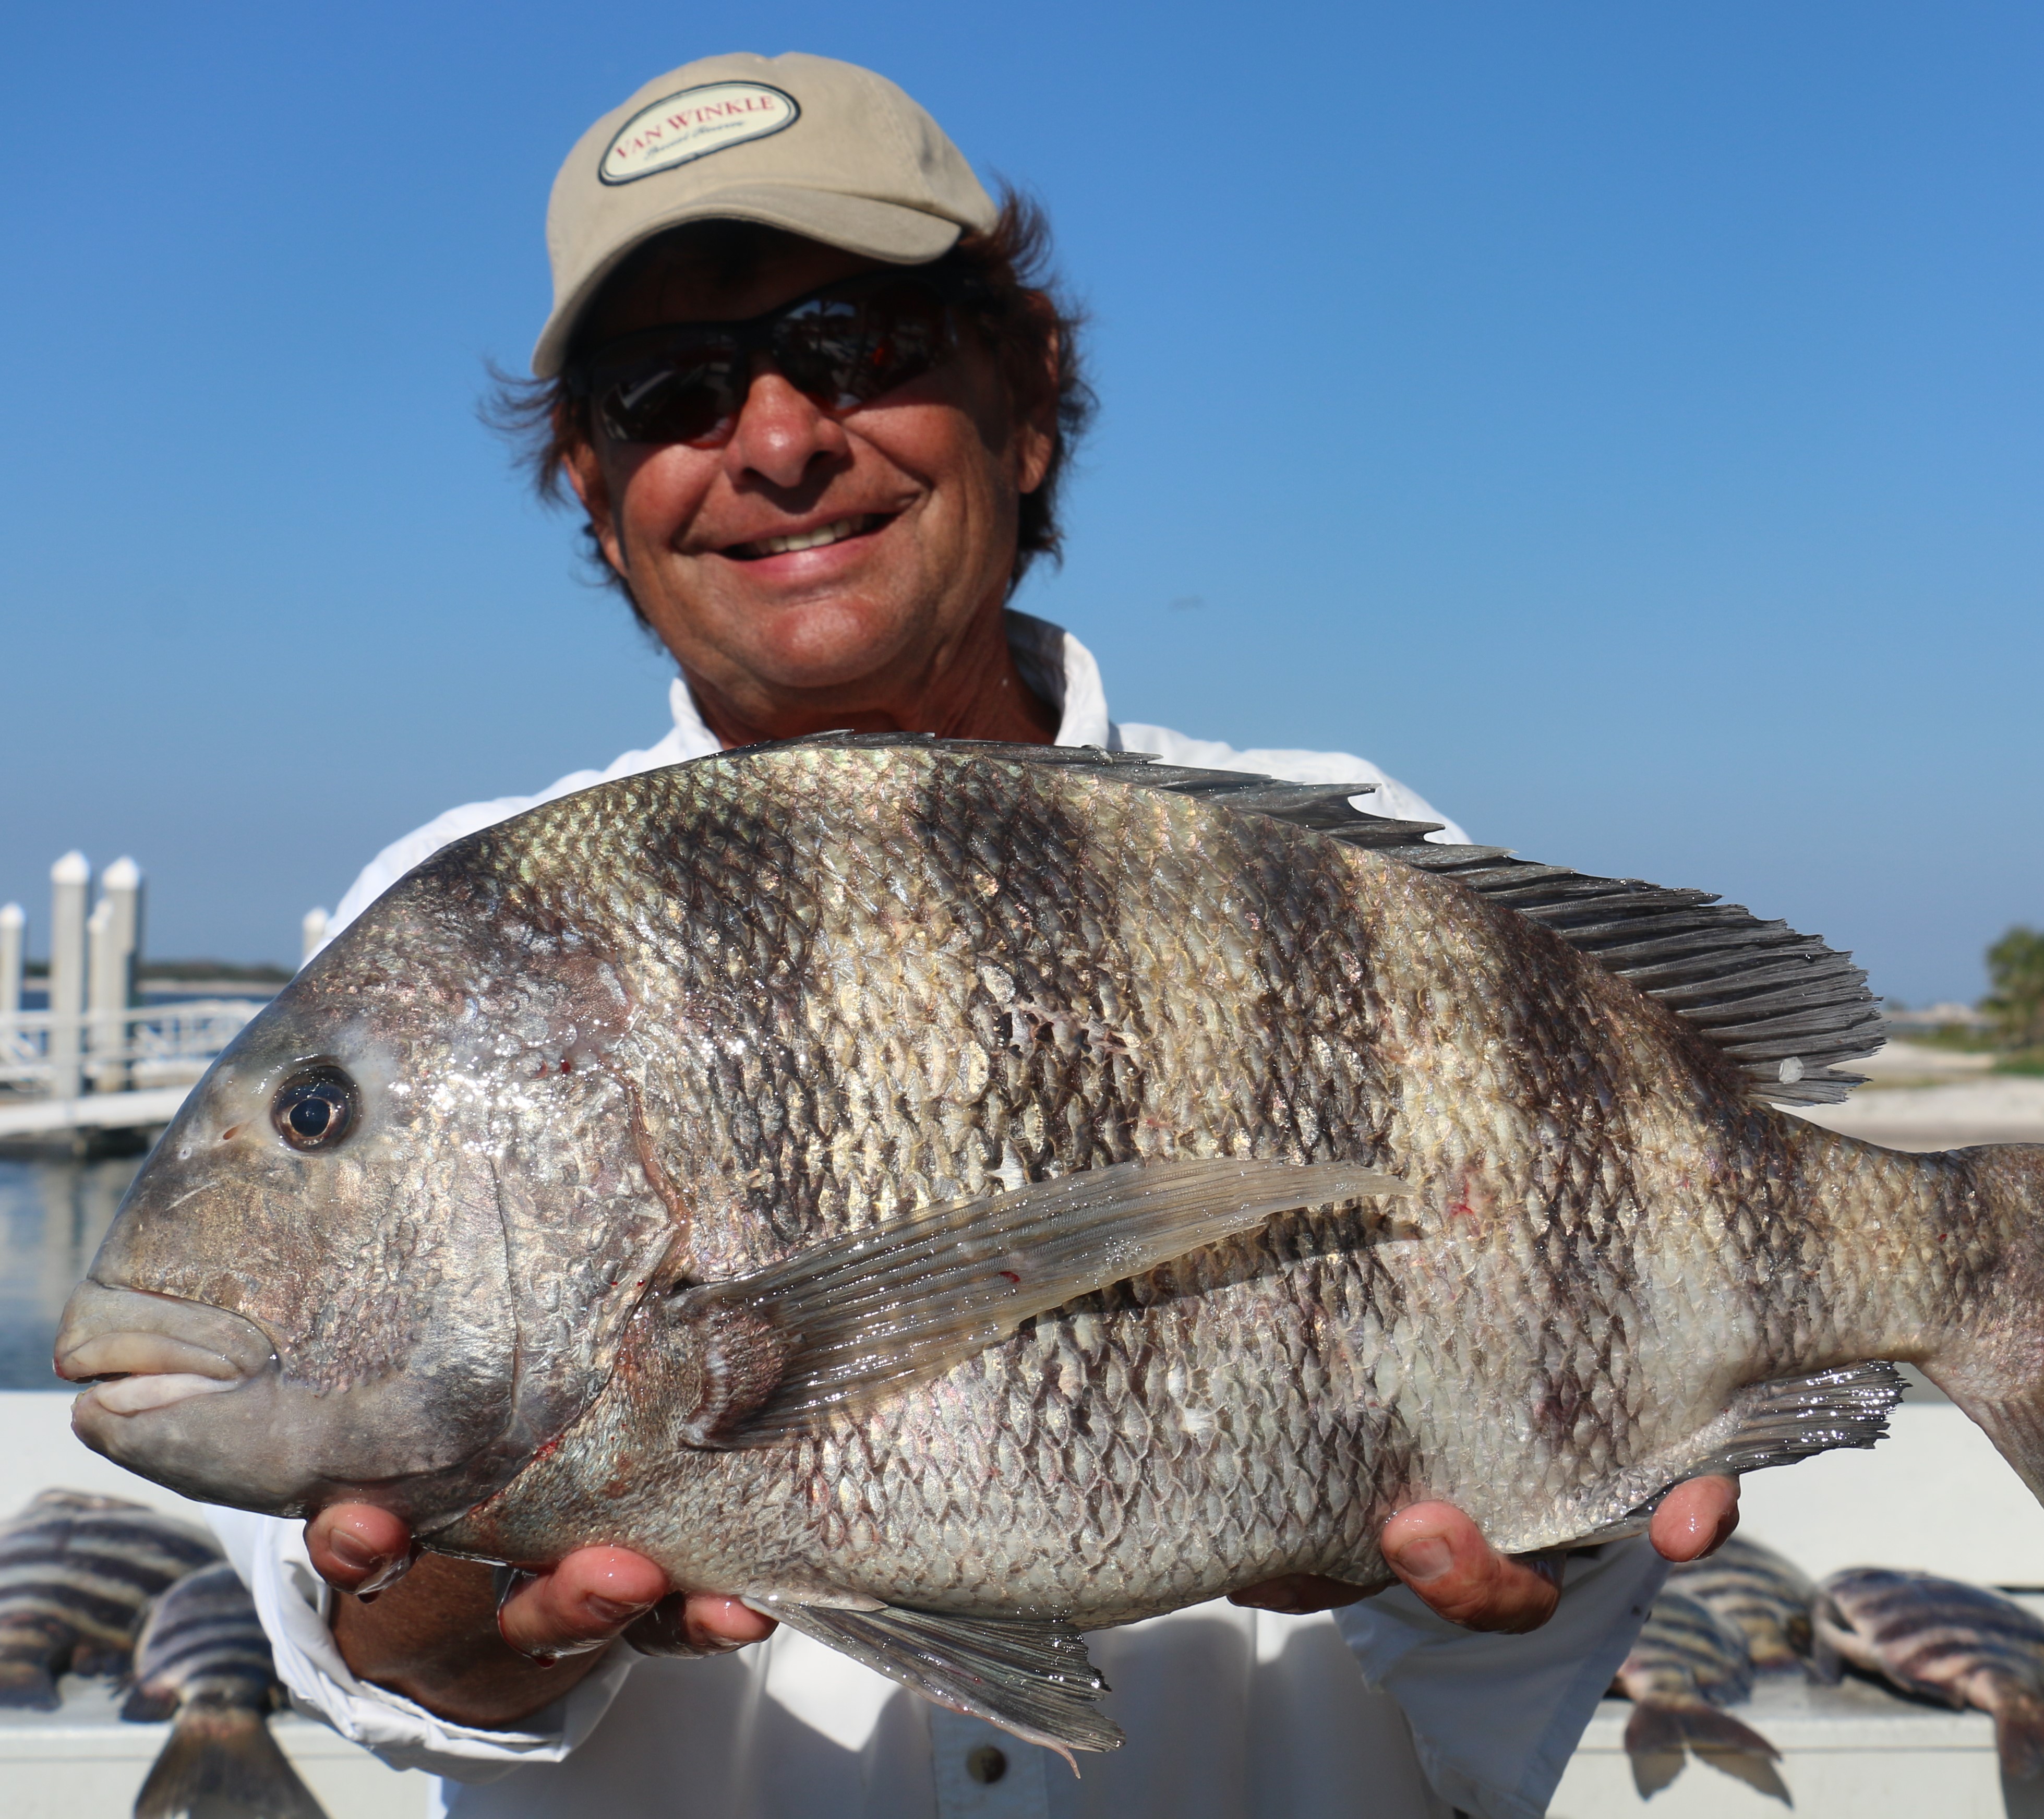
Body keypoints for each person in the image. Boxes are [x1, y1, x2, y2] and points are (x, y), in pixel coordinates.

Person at [203, 52, 1740, 1819]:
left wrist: (1515, 1570)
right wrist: (469, 1626)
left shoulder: (1359, 870)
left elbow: (1539, 1577)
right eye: (674, 390)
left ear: (1025, 403)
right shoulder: (457, 928)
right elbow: (369, 1641)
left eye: (860, 347)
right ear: (595, 487)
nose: (777, 440)